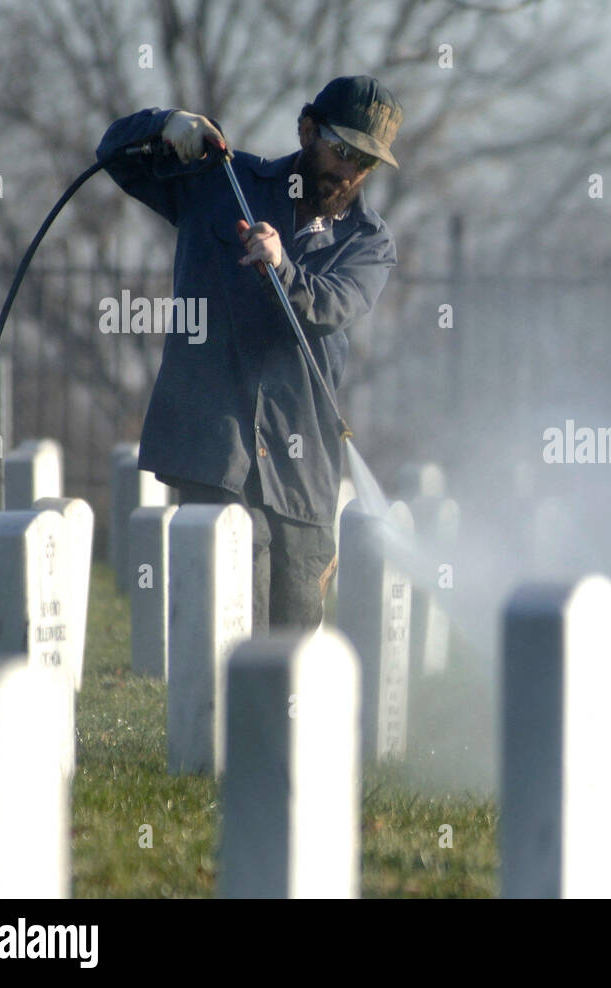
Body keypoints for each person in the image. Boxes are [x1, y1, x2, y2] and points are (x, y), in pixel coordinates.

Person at [97, 76, 401, 633]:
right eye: (343, 150)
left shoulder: (369, 242)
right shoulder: (220, 183)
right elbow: (114, 155)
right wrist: (162, 126)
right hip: (215, 452)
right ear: (307, 130)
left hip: (302, 473)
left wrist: (283, 267)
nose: (351, 170)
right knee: (227, 643)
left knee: (293, 665)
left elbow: (331, 306)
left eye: (367, 162)